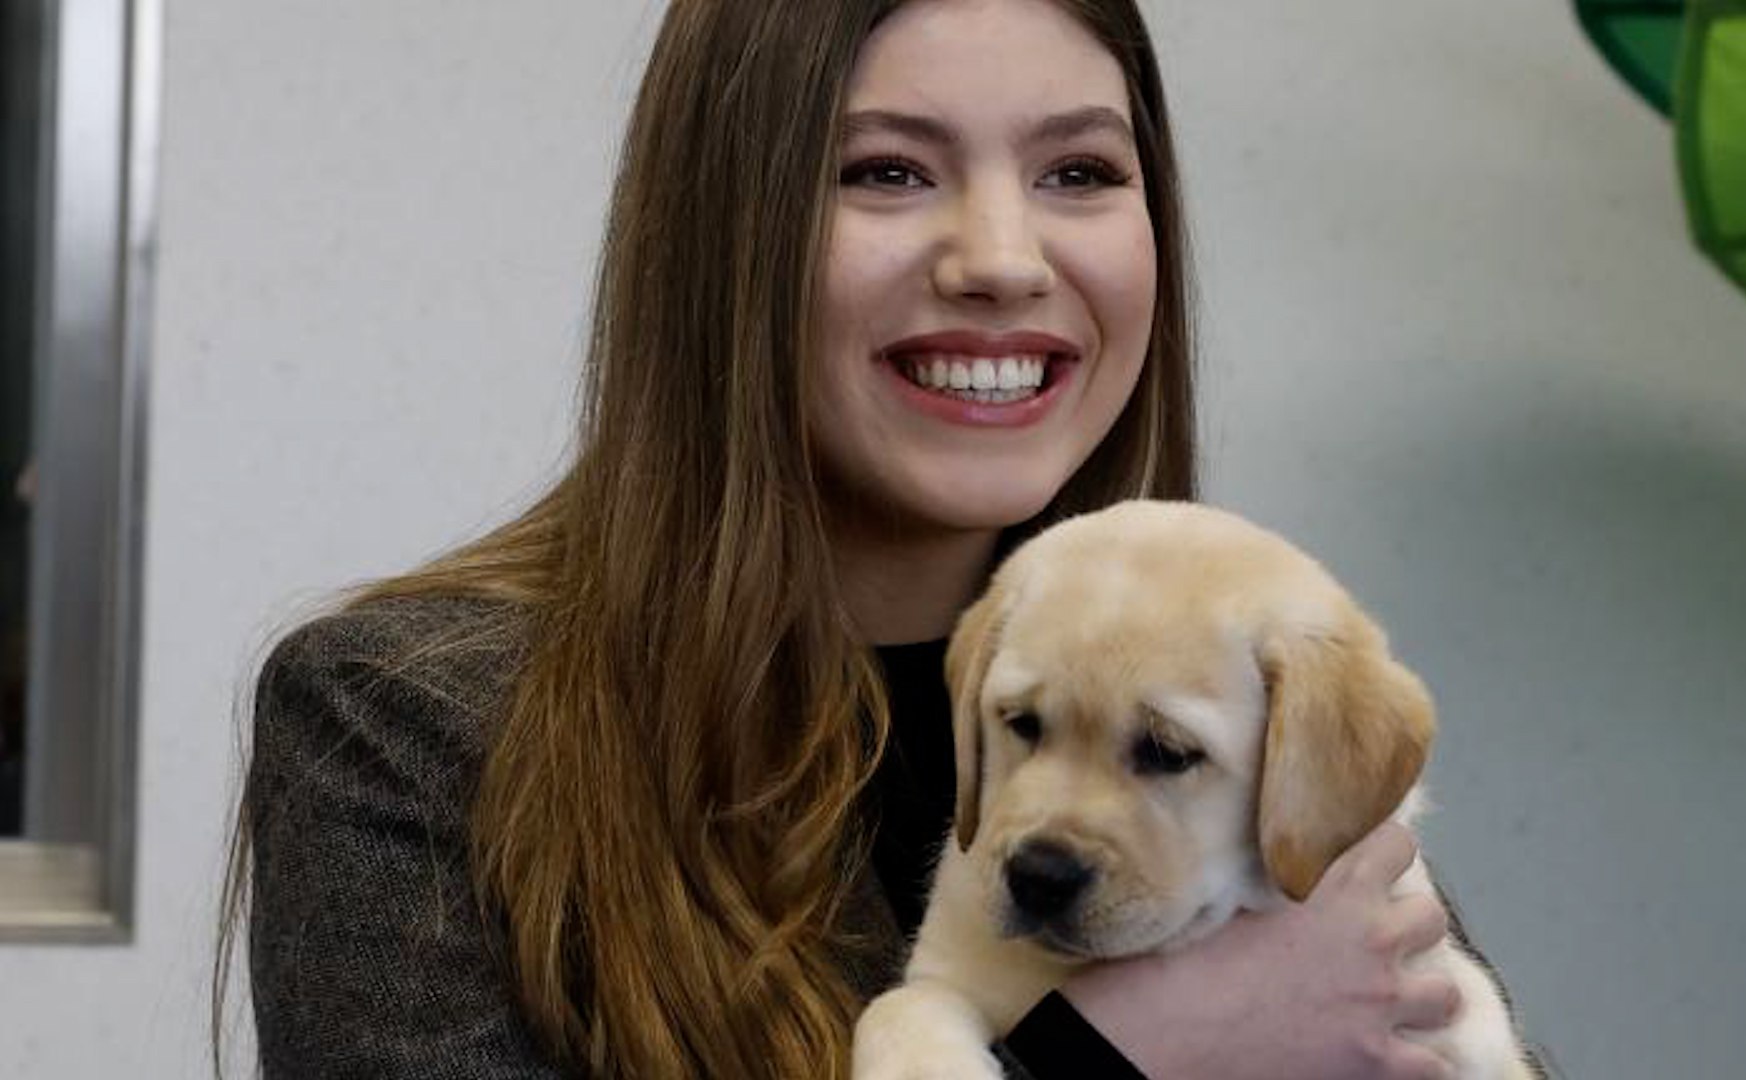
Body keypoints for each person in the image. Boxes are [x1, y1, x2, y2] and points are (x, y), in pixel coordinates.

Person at [220, 1, 1539, 1077]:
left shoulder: (1242, 675)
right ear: (726, 236)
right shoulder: (407, 719)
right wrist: (1119, 1059)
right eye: (887, 171)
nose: (1003, 259)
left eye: (1079, 172)